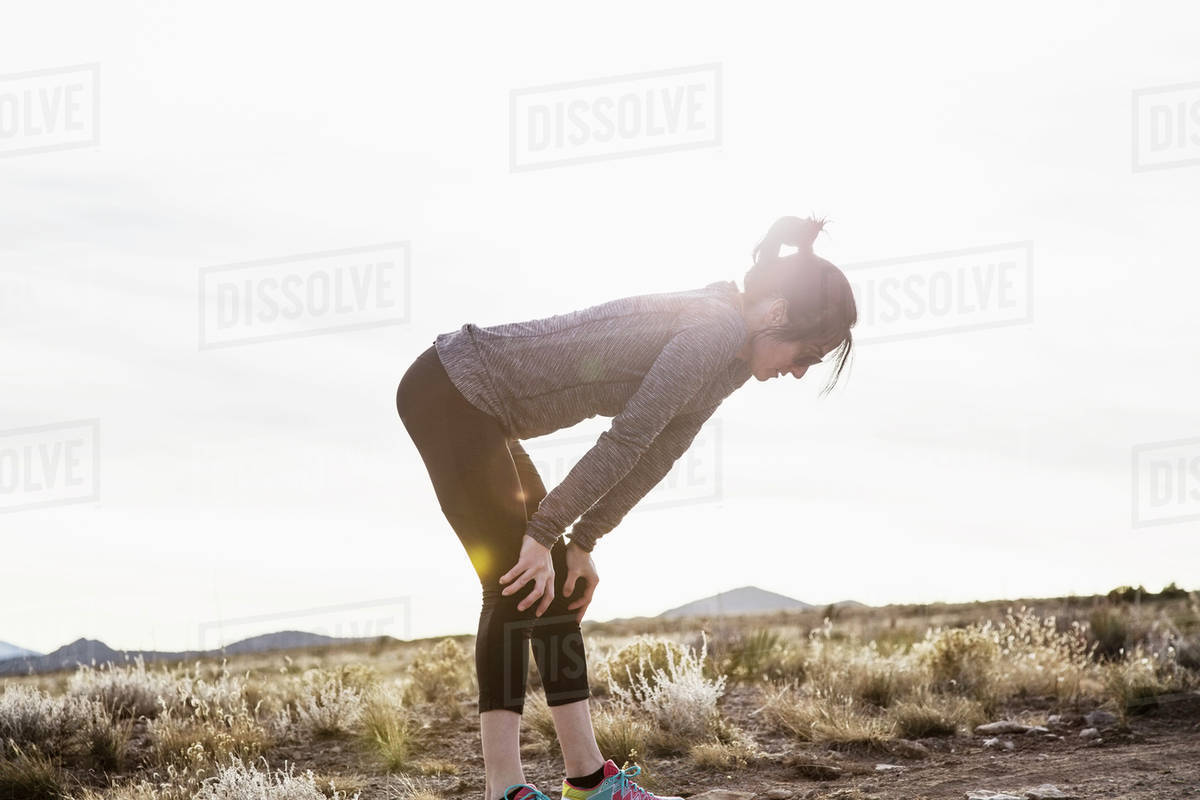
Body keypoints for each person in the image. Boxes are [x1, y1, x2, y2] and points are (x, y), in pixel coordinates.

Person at [395, 215, 857, 800]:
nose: (797, 371)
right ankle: (502, 790)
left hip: (484, 408)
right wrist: (542, 532)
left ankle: (588, 783)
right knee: (516, 582)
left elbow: (658, 452)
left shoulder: (732, 361)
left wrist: (582, 542)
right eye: (806, 355)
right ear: (776, 314)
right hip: (452, 389)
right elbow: (628, 436)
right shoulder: (712, 329)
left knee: (556, 585)